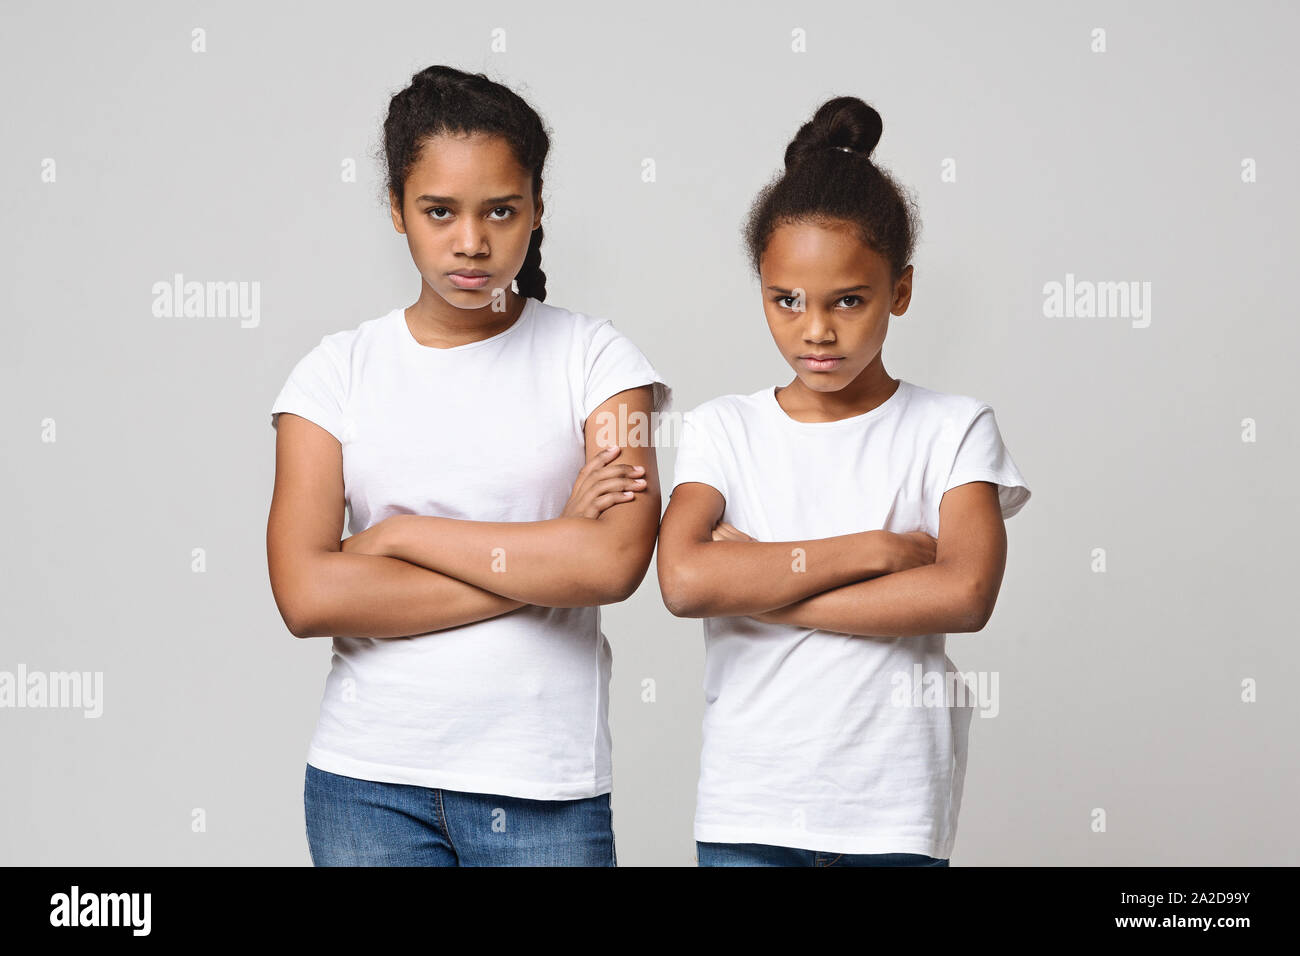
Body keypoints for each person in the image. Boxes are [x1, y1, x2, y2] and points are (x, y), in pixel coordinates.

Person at [266, 65, 671, 866]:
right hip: (365, 784)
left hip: (545, 789)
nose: (472, 242)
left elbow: (617, 559)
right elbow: (309, 596)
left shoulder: (602, 362)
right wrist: (549, 549)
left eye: (501, 210)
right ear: (396, 209)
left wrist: (398, 537)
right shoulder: (331, 374)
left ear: (538, 211)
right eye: (439, 211)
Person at [656, 95, 1031, 867]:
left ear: (900, 290)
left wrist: (765, 588)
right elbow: (686, 580)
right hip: (749, 812)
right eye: (785, 300)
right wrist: (876, 550)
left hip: (891, 815)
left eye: (848, 301)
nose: (816, 329)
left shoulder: (953, 429)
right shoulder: (725, 428)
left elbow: (963, 596)